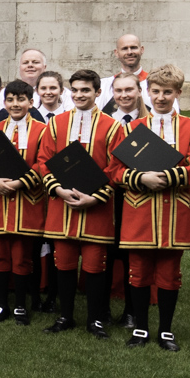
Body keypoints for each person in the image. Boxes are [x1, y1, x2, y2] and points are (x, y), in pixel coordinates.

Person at [117, 64, 190, 351]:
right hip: (139, 209)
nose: (160, 97)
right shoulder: (132, 128)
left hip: (175, 211)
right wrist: (140, 177)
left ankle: (166, 331)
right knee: (139, 272)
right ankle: (141, 329)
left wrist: (167, 177)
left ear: (177, 93)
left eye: (167, 92)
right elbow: (114, 170)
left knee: (170, 273)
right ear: (147, 92)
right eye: (155, 91)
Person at [33, 69, 126, 338]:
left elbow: (116, 167)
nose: (79, 95)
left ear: (98, 93)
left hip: (96, 207)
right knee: (63, 263)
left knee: (95, 265)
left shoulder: (112, 126)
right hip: (62, 206)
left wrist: (95, 197)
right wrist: (59, 190)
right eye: (75, 90)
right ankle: (65, 316)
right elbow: (43, 162)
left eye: (85, 90)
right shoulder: (56, 124)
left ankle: (95, 320)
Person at [0, 80, 52, 325]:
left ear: (31, 102)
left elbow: (43, 164)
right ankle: (1, 304)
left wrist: (20, 183)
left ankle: (20, 305)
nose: (15, 104)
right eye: (10, 99)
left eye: (20, 99)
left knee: (22, 257)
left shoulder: (43, 130)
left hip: (27, 202)